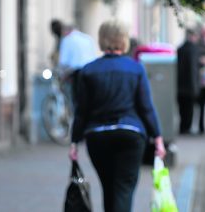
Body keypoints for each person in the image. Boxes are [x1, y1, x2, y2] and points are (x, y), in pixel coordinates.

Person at [70, 22, 166, 212]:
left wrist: (74, 141)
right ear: (124, 40)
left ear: (101, 40)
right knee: (123, 188)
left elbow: (82, 111)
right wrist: (158, 137)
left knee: (108, 187)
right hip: (130, 135)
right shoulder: (136, 69)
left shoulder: (88, 71)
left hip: (97, 137)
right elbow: (146, 107)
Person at [176, 29, 200, 135]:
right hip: (189, 84)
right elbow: (193, 69)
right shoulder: (193, 50)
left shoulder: (180, 49)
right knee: (189, 108)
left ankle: (183, 126)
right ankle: (187, 127)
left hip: (180, 84)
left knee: (182, 107)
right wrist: (195, 85)